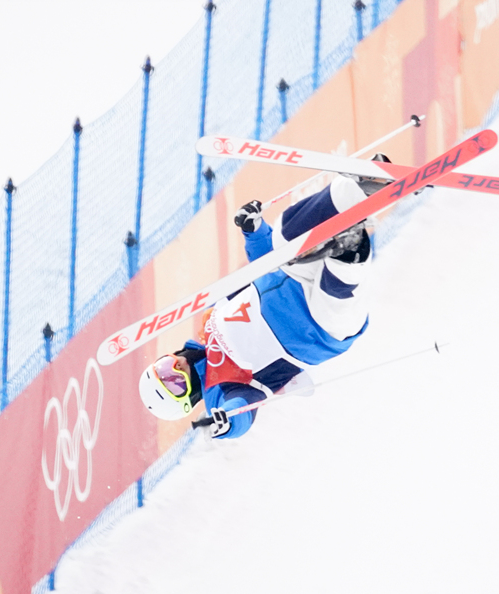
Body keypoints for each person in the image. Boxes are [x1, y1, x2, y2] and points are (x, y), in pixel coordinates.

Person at [137, 171, 382, 438]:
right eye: (175, 383)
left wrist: (253, 233)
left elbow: (262, 268)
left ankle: (357, 190)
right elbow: (242, 408)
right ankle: (349, 250)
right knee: (335, 305)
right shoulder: (221, 390)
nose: (177, 369)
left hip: (294, 277)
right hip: (317, 330)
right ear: (187, 400)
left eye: (164, 367)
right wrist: (227, 421)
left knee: (284, 234)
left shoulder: (212, 317)